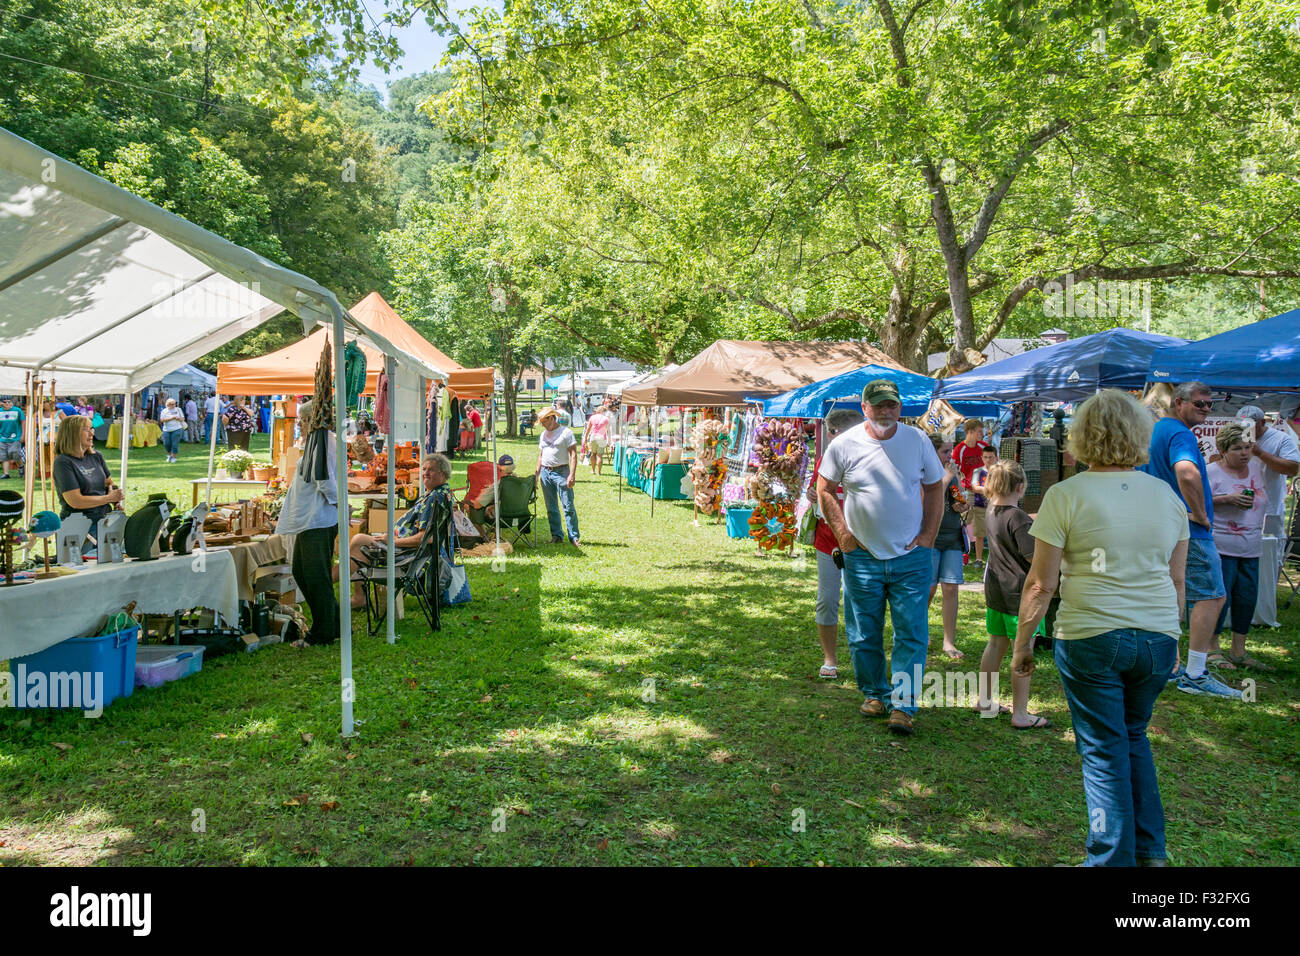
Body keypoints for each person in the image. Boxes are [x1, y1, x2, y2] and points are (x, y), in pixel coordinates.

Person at [1011, 390, 1189, 866]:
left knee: (1103, 750)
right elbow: (1177, 579)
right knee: (1133, 737)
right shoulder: (1167, 496)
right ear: (1139, 435)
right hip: (1156, 635)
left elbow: (1039, 584)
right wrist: (1174, 637)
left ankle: (1110, 858)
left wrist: (1022, 644)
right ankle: (1149, 851)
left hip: (1091, 635)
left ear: (1080, 437)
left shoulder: (1065, 495)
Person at [817, 378, 945, 736]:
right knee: (862, 633)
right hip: (862, 558)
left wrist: (928, 537)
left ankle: (903, 705)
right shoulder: (844, 445)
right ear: (865, 409)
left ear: (900, 407)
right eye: (879, 406)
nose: (886, 412)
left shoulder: (917, 440)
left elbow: (935, 487)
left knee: (912, 633)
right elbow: (824, 490)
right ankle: (874, 693)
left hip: (911, 557)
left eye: (892, 405)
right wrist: (843, 535)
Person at [1139, 381, 1241, 699]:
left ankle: (1169, 666)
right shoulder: (1179, 433)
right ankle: (1195, 674)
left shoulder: (1156, 430)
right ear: (1179, 402)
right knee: (1212, 597)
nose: (1206, 409)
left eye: (1210, 404)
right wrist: (1199, 514)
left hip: (1161, 525)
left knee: (1170, 593)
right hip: (1189, 530)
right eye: (1200, 403)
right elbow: (1186, 472)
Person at [978, 459, 1050, 728]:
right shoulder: (1017, 517)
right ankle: (1020, 713)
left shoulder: (992, 509)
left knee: (995, 644)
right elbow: (1032, 556)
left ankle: (985, 700)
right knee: (1023, 650)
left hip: (996, 591)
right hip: (1020, 596)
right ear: (1020, 486)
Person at [341, 454, 453, 608]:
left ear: (443, 474)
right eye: (424, 469)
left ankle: (357, 597)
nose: (426, 473)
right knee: (361, 543)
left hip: (408, 554)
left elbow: (425, 538)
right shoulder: (438, 494)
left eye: (431, 470)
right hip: (406, 548)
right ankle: (342, 587)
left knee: (358, 541)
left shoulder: (435, 499)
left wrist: (392, 541)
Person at [1207, 423, 1271, 671]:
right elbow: (1196, 504)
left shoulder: (1256, 469)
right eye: (1237, 448)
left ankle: (1238, 650)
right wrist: (1225, 499)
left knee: (1246, 598)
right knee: (1220, 598)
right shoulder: (1211, 472)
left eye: (1247, 447)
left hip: (1252, 547)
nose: (1244, 453)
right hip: (1221, 546)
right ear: (1223, 449)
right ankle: (1212, 649)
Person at [806, 407, 865, 679]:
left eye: (833, 432)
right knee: (827, 599)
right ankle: (830, 658)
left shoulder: (867, 459)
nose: (831, 437)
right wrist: (811, 494)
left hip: (862, 542)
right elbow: (815, 492)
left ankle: (861, 655)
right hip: (827, 541)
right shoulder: (822, 461)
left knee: (860, 601)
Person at [275, 400, 339, 645]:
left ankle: (322, 633)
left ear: (314, 419)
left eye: (303, 419)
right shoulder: (317, 440)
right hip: (309, 518)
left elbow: (325, 480)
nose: (299, 423)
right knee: (302, 572)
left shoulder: (325, 441)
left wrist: (337, 504)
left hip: (318, 519)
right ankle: (333, 622)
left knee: (315, 576)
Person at [929, 434, 969, 660]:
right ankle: (918, 634)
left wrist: (961, 504)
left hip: (952, 536)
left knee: (951, 588)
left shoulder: (951, 473)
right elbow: (928, 498)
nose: (949, 456)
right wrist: (948, 476)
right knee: (929, 589)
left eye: (950, 451)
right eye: (945, 451)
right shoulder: (924, 471)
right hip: (931, 538)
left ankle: (949, 642)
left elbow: (956, 497)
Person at [51, 414, 124, 541]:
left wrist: (115, 499)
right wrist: (108, 498)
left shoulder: (96, 456)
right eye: (87, 429)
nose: (92, 433)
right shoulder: (63, 462)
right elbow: (76, 501)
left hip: (105, 521)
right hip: (80, 527)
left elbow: (109, 483)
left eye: (92, 428)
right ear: (72, 434)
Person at [536, 406, 581, 546]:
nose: (542, 425)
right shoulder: (543, 435)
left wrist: (571, 475)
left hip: (562, 472)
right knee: (551, 507)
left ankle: (573, 536)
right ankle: (556, 535)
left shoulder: (566, 433)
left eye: (544, 421)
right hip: (545, 472)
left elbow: (573, 454)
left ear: (551, 418)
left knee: (568, 506)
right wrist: (536, 474)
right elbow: (541, 455)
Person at [951, 418, 991, 568]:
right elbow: (955, 471)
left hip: (982, 491)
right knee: (963, 522)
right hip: (966, 491)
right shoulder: (960, 449)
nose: (982, 435)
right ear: (970, 432)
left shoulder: (984, 446)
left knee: (980, 524)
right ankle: (963, 554)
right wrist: (958, 493)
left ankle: (979, 559)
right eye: (979, 432)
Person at [467, 454, 516, 533]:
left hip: (500, 516)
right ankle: (497, 536)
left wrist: (486, 492)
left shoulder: (498, 485)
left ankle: (484, 537)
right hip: (519, 517)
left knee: (470, 508)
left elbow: (477, 504)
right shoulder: (522, 483)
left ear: (500, 470)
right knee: (494, 507)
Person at [968, 445, 997, 567]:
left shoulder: (999, 471)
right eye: (985, 457)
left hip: (996, 506)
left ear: (996, 457)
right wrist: (992, 490)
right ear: (982, 458)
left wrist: (984, 489)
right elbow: (975, 487)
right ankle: (979, 560)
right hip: (981, 506)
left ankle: (995, 560)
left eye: (991, 457)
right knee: (980, 534)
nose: (988, 460)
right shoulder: (978, 471)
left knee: (995, 535)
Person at [582, 400, 613, 476]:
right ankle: (599, 472)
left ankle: (593, 470)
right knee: (599, 455)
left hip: (593, 437)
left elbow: (588, 429)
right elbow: (608, 431)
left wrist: (585, 438)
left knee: (593, 454)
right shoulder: (606, 419)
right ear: (603, 411)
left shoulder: (592, 417)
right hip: (602, 438)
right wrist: (609, 441)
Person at [0, 395, 24, 480]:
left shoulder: (17, 410)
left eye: (9, 401)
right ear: (0, 403)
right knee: (3, 456)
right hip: (2, 437)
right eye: (5, 402)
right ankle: (6, 473)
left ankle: (21, 466)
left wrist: (23, 435)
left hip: (16, 437)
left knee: (14, 453)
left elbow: (23, 422)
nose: (7, 403)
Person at [159, 398, 186, 463]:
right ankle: (169, 455)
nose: (173, 405)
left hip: (177, 429)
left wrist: (178, 418)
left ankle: (174, 457)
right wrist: (171, 418)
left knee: (175, 444)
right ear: (168, 404)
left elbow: (183, 419)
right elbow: (161, 420)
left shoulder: (178, 410)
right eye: (171, 404)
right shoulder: (164, 411)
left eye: (174, 404)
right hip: (166, 430)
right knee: (166, 444)